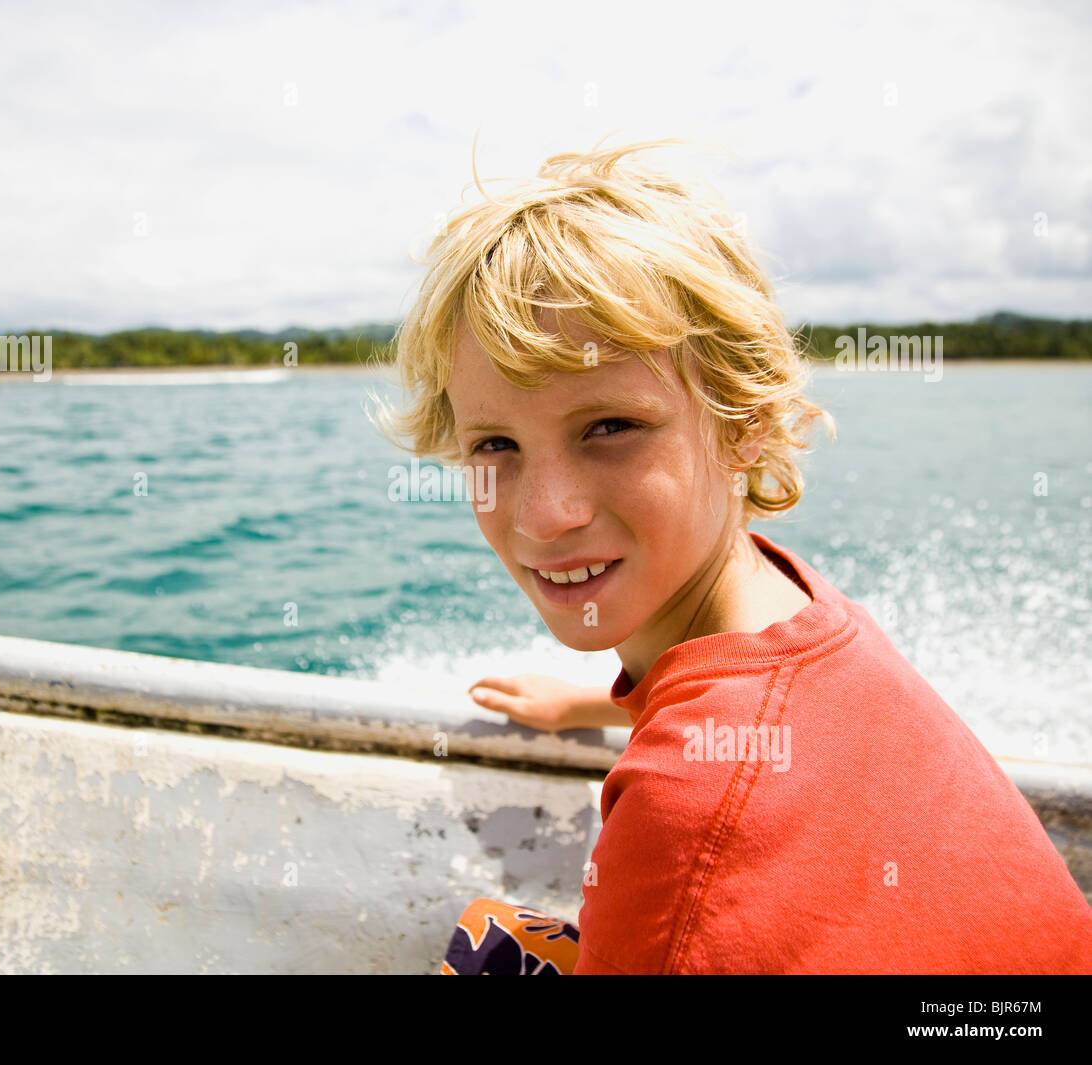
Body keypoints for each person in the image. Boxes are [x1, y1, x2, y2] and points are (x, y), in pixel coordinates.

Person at [371, 137, 1092, 974]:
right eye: (496, 443)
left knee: (482, 949)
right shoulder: (791, 597)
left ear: (745, 423)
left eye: (610, 427)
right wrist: (589, 705)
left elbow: (712, 807)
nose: (544, 515)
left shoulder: (685, 822)